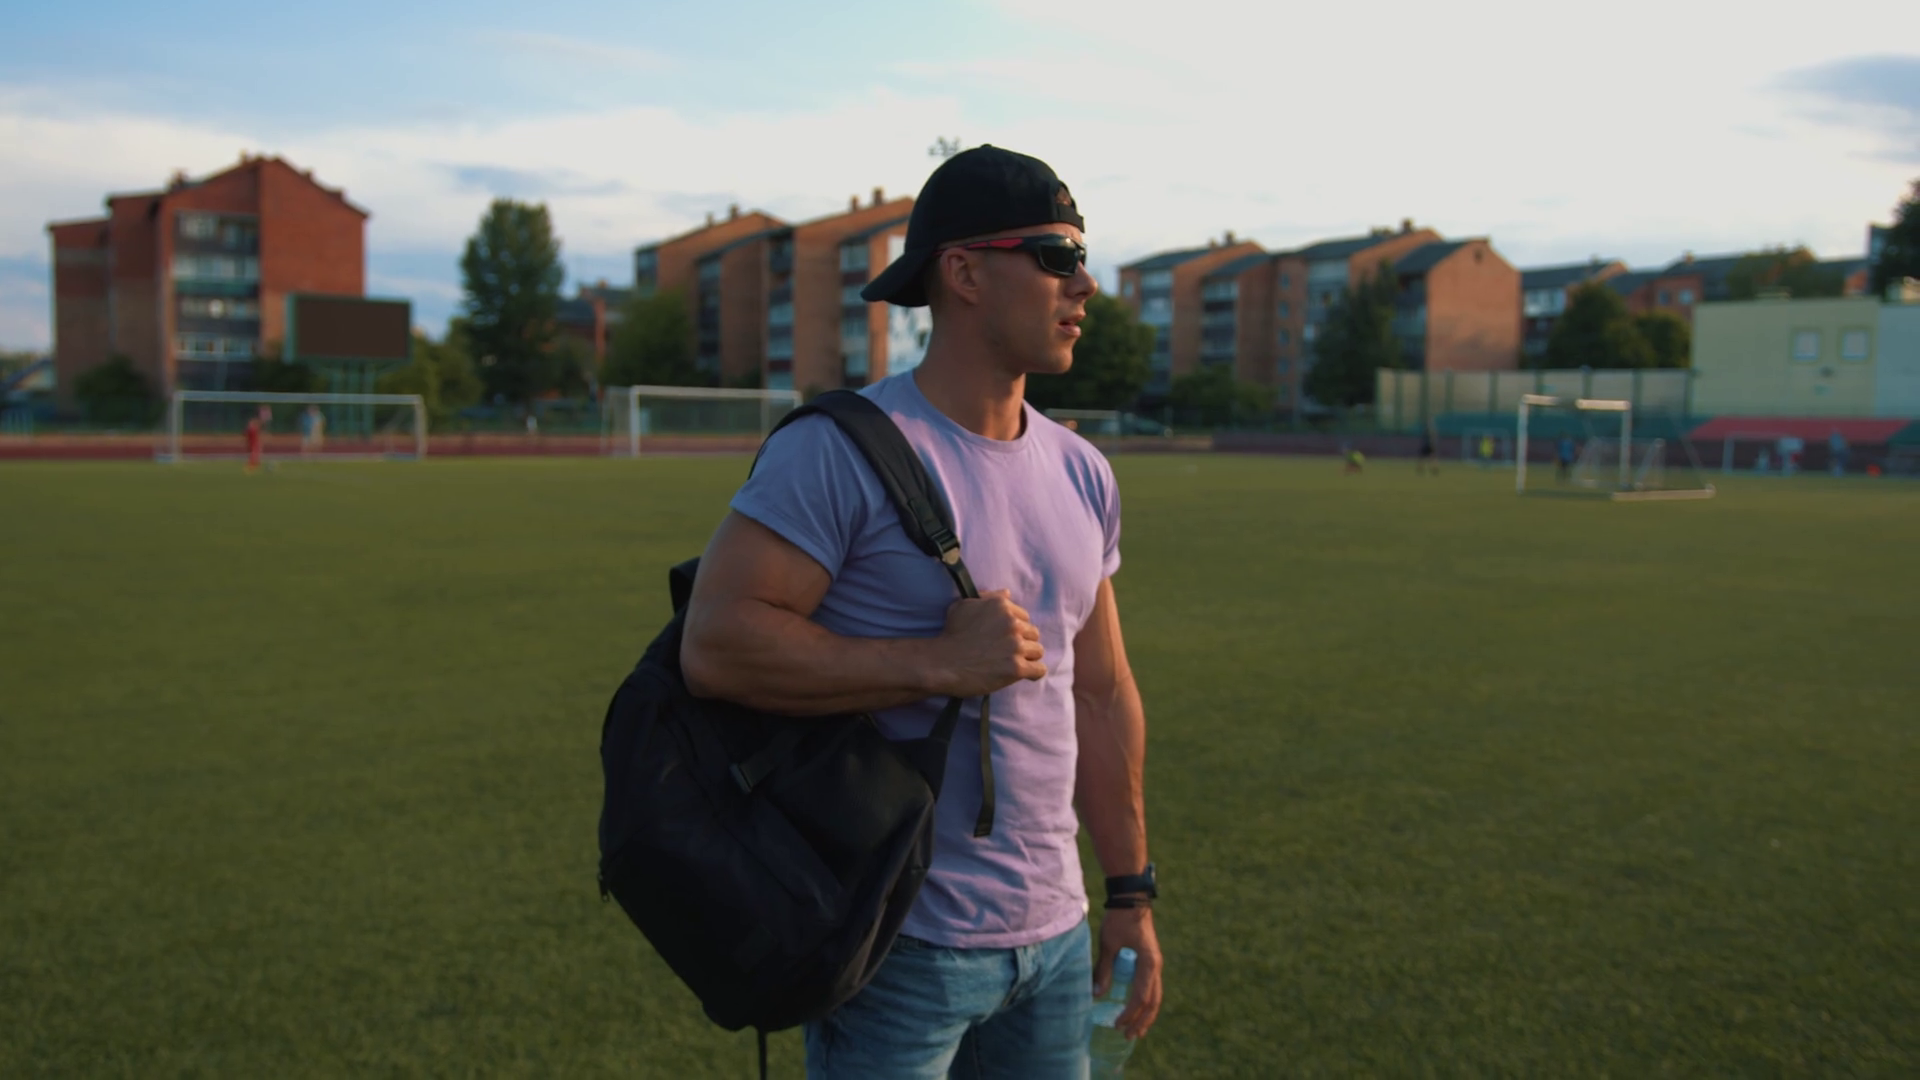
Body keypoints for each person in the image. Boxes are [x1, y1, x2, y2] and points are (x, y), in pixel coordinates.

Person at [680, 145, 1161, 1079]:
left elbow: (1100, 694)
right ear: (965, 273)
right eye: (1057, 257)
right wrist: (933, 663)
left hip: (1056, 942)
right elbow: (718, 644)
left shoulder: (1083, 471)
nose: (1085, 284)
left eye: (1083, 256)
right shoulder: (840, 448)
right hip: (899, 946)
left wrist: (1131, 894)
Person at [244, 406, 267, 473]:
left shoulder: (254, 422)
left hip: (253, 438)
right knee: (255, 451)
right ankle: (252, 465)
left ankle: (255, 464)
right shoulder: (254, 422)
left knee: (256, 451)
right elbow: (251, 430)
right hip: (253, 438)